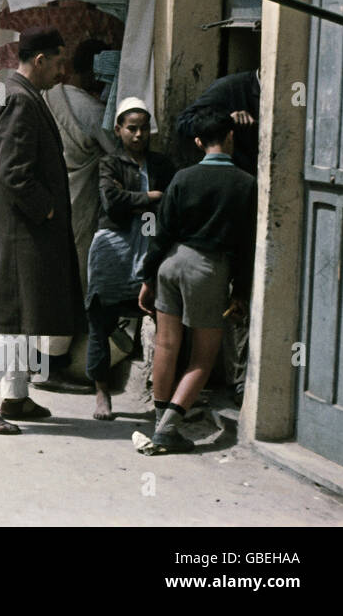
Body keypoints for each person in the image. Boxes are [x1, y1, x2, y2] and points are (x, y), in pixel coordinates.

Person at [0, 27, 85, 434]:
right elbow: (13, 171)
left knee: (25, 315)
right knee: (14, 318)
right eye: (59, 61)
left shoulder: (13, 93)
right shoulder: (19, 100)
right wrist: (45, 210)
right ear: (40, 59)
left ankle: (15, 395)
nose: (63, 71)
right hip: (19, 232)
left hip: (19, 229)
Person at [137, 108, 257, 454]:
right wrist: (242, 293)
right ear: (231, 138)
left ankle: (161, 421)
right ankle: (167, 430)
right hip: (208, 269)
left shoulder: (183, 178)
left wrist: (148, 277)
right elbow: (245, 246)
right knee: (203, 358)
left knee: (166, 345)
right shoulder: (246, 183)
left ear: (199, 141)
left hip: (171, 263)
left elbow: (161, 233)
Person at [86, 98, 176, 420]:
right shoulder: (109, 163)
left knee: (162, 316)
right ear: (119, 130)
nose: (138, 135)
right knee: (101, 318)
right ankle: (101, 392)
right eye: (131, 128)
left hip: (151, 247)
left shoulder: (162, 165)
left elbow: (171, 205)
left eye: (143, 129)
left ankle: (162, 396)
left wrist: (138, 203)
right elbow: (111, 203)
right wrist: (150, 197)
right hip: (114, 247)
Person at [174, 68, 259, 405]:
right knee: (230, 294)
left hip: (258, 201)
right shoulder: (230, 88)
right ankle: (221, 382)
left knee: (244, 288)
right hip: (230, 207)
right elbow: (185, 123)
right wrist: (226, 121)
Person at [38, 39, 120, 382]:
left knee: (48, 281)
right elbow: (118, 154)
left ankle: (40, 363)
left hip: (45, 202)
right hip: (79, 206)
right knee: (73, 283)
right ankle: (53, 366)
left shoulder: (44, 98)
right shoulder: (94, 112)